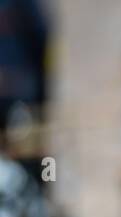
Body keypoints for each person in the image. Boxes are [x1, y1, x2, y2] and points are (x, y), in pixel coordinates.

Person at [0, 0, 52, 181]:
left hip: (24, 96)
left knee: (43, 155)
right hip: (25, 93)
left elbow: (42, 36)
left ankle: (46, 186)